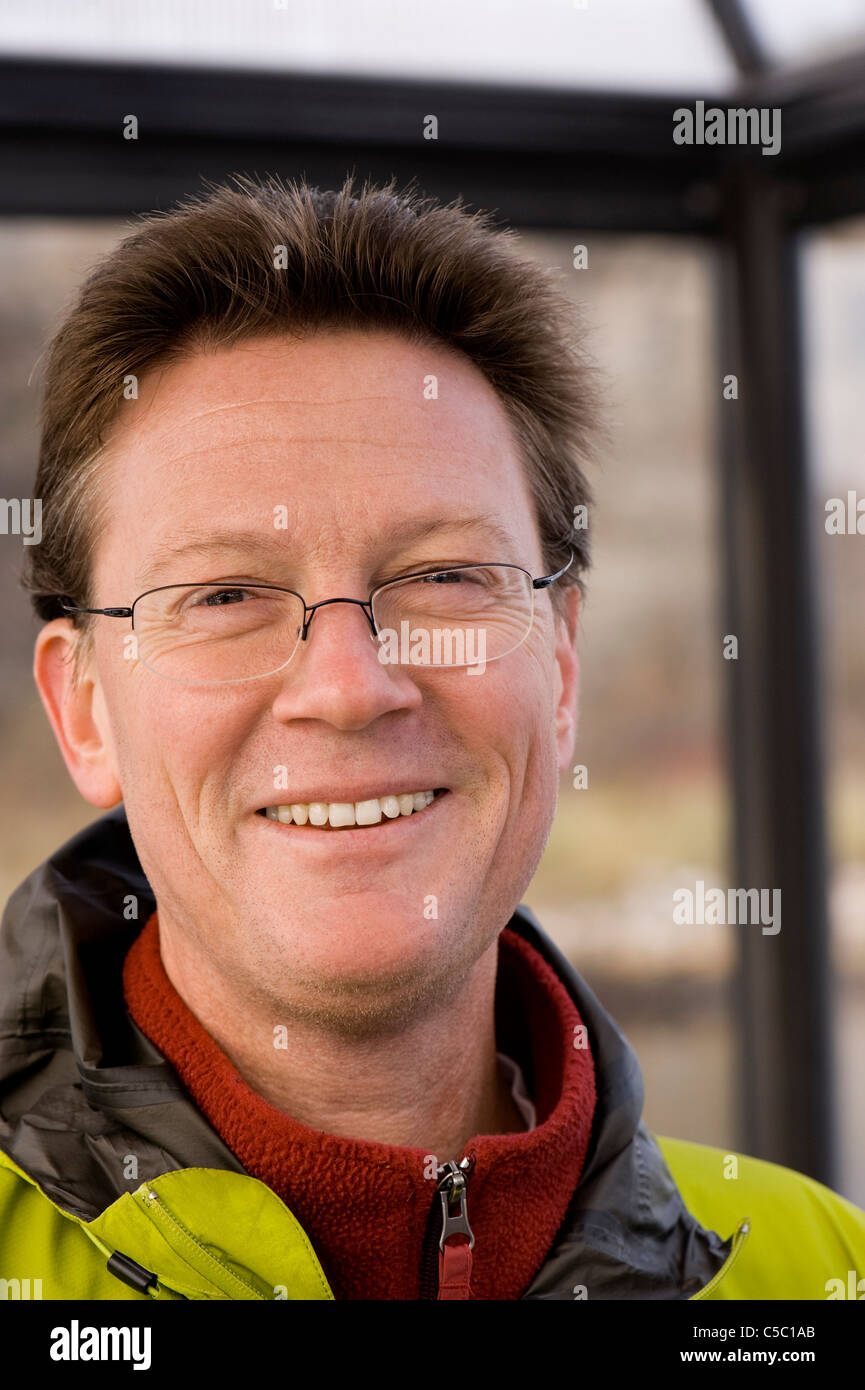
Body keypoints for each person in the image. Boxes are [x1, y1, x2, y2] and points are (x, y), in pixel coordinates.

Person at [1, 175, 862, 1302]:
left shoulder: (816, 1272)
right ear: (83, 709)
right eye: (223, 596)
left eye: (446, 576)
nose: (350, 687)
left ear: (558, 666)